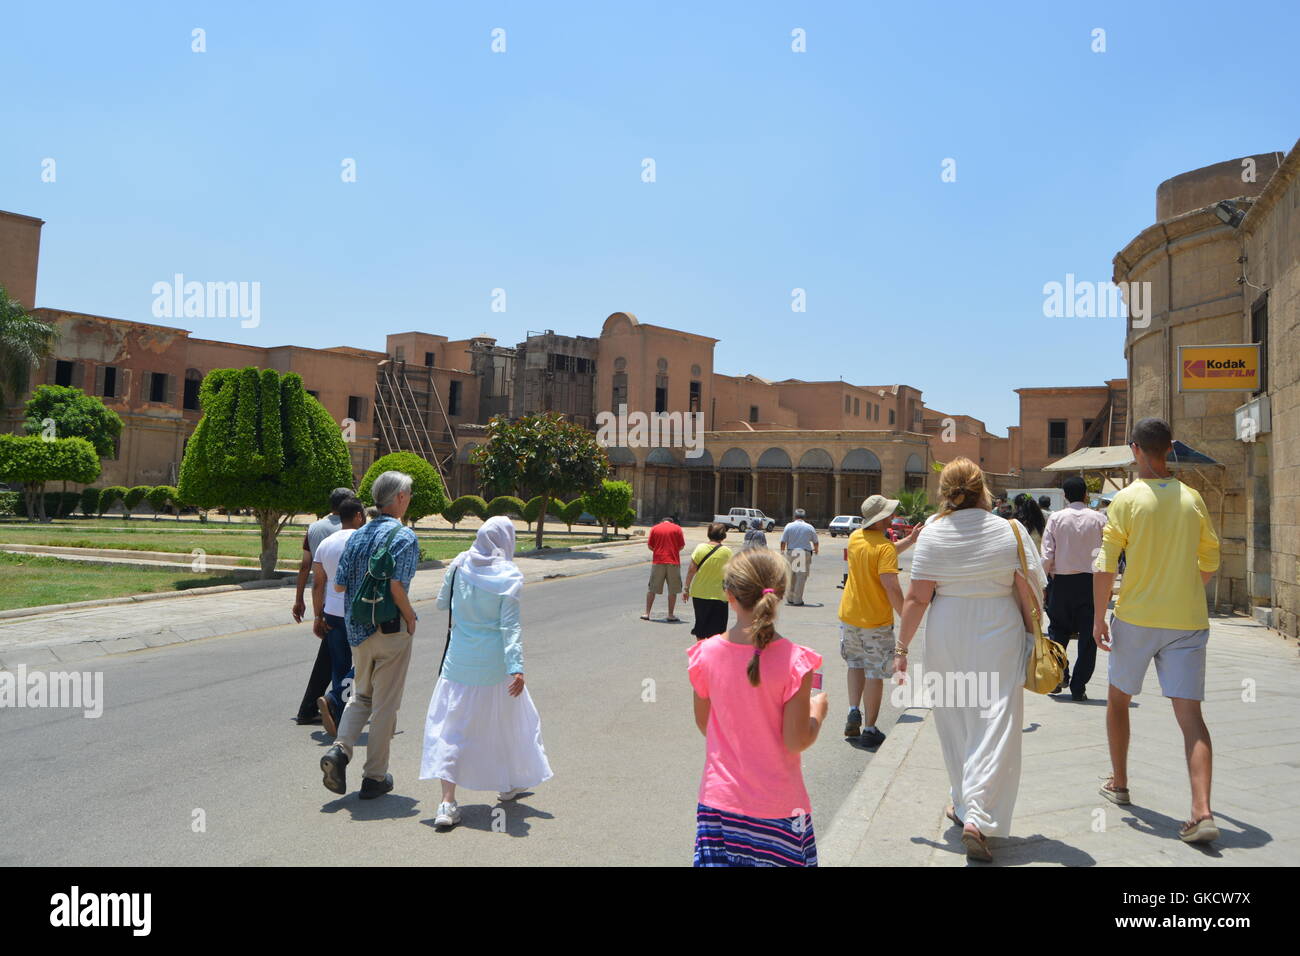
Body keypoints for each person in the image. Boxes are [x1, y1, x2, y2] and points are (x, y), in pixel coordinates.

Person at [894, 458, 1046, 862]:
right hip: (998, 630)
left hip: (947, 631)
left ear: (944, 491)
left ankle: (964, 804)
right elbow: (1029, 589)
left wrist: (901, 649)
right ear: (983, 488)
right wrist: (1035, 640)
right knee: (994, 722)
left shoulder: (931, 534)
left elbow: (916, 598)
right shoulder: (1008, 529)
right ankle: (975, 812)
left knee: (955, 719)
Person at [1093, 417, 1221, 844]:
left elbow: (1106, 564)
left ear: (1135, 449)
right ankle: (1201, 811)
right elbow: (1210, 559)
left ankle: (1120, 782)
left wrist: (1098, 618)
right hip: (1187, 620)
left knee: (1118, 700)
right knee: (1191, 719)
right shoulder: (1193, 498)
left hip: (1136, 617)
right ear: (1169, 449)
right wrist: (1183, 587)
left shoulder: (1125, 500)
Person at [687, 548, 827, 866]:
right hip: (779, 807)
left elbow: (705, 724)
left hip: (719, 804)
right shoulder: (797, 661)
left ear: (728, 594)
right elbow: (796, 740)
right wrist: (817, 713)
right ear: (779, 594)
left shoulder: (705, 655)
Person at [422, 516, 552, 829]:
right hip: (496, 667)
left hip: (458, 664)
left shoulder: (458, 566)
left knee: (451, 728)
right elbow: (509, 627)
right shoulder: (507, 576)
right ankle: (507, 785)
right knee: (506, 722)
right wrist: (517, 668)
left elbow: (442, 604)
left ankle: (447, 802)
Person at [318, 472, 421, 800]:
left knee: (360, 696)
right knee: (385, 705)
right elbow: (396, 586)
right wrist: (410, 617)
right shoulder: (404, 537)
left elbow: (339, 585)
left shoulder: (357, 535)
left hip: (357, 630)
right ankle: (374, 776)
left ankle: (340, 750)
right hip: (391, 630)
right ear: (401, 498)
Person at [837, 495, 921, 747]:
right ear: (881, 518)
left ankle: (854, 709)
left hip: (849, 615)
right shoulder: (883, 547)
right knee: (874, 673)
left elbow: (880, 554)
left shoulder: (855, 539)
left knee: (855, 664)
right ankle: (870, 729)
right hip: (875, 621)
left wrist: (910, 540)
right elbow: (891, 586)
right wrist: (906, 615)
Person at [293, 487, 355, 725]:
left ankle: (313, 708)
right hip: (343, 604)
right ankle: (332, 705)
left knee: (329, 659)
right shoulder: (353, 530)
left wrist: (299, 599)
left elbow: (305, 566)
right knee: (353, 659)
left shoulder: (314, 528)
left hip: (324, 603)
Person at [1041, 475, 1106, 701]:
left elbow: (1047, 554)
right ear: (1086, 494)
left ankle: (1059, 678)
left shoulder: (1056, 519)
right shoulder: (1099, 519)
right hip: (1091, 583)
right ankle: (1079, 686)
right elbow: (1109, 554)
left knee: (1058, 632)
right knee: (1089, 636)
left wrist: (1042, 584)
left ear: (1065, 496)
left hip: (1062, 582)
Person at [311, 498, 366, 736]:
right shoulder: (363, 540)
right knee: (368, 662)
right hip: (358, 611)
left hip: (332, 611)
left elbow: (318, 583)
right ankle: (334, 698)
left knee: (339, 664)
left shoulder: (326, 543)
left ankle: (337, 712)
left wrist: (317, 615)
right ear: (357, 516)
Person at [684, 523, 733, 641]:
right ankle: (714, 654)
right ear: (723, 536)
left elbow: (691, 571)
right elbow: (731, 575)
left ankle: (702, 652)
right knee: (718, 630)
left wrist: (686, 588)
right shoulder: (727, 552)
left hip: (699, 593)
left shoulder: (700, 548)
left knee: (701, 627)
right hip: (719, 595)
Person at [642, 516, 685, 622]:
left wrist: (658, 551)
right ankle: (670, 615)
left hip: (658, 561)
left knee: (652, 589)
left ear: (662, 521)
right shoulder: (677, 528)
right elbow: (681, 546)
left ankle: (647, 613)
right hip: (673, 562)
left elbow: (650, 546)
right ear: (672, 522)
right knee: (672, 590)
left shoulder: (655, 528)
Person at [779, 509, 819, 606]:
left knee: (791, 575)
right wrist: (816, 550)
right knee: (800, 577)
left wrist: (782, 551)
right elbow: (815, 542)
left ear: (795, 517)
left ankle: (790, 598)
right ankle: (797, 600)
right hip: (803, 552)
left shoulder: (789, 526)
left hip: (792, 552)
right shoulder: (809, 527)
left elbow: (783, 541)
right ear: (804, 517)